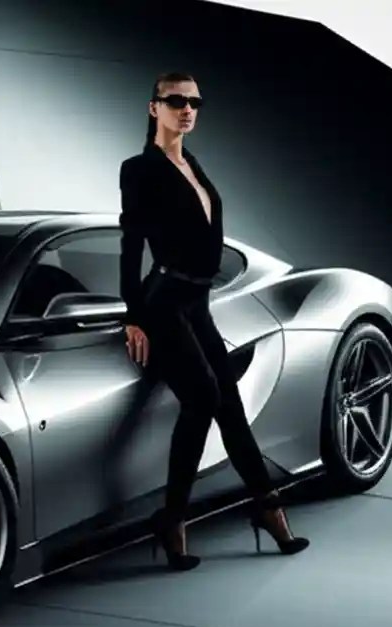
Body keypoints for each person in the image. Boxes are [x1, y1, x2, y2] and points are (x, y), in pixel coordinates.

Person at [118, 71, 309, 571]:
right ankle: (173, 519)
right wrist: (133, 316)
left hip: (197, 302)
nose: (187, 109)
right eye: (176, 100)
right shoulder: (139, 169)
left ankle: (268, 509)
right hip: (163, 301)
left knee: (230, 405)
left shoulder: (194, 165)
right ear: (153, 107)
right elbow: (131, 243)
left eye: (194, 101)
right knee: (202, 396)